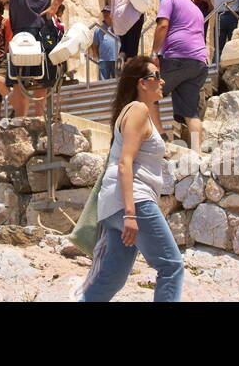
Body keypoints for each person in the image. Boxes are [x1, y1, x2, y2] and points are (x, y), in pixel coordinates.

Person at [78, 56, 184, 302]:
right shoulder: (138, 109)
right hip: (134, 202)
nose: (162, 80)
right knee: (171, 266)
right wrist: (130, 213)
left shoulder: (137, 111)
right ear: (141, 83)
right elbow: (125, 163)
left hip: (115, 204)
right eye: (155, 76)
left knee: (109, 280)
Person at [146, 0, 209, 153]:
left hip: (178, 57)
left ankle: (160, 138)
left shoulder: (169, 0)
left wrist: (154, 53)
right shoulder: (196, 8)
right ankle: (196, 151)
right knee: (191, 112)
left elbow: (163, 25)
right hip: (199, 62)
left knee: (150, 91)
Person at [91, 7, 121, 80]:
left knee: (117, 83)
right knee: (103, 83)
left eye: (108, 12)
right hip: (103, 60)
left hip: (116, 59)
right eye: (104, 13)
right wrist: (98, 57)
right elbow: (94, 45)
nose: (105, 14)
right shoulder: (98, 29)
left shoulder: (118, 28)